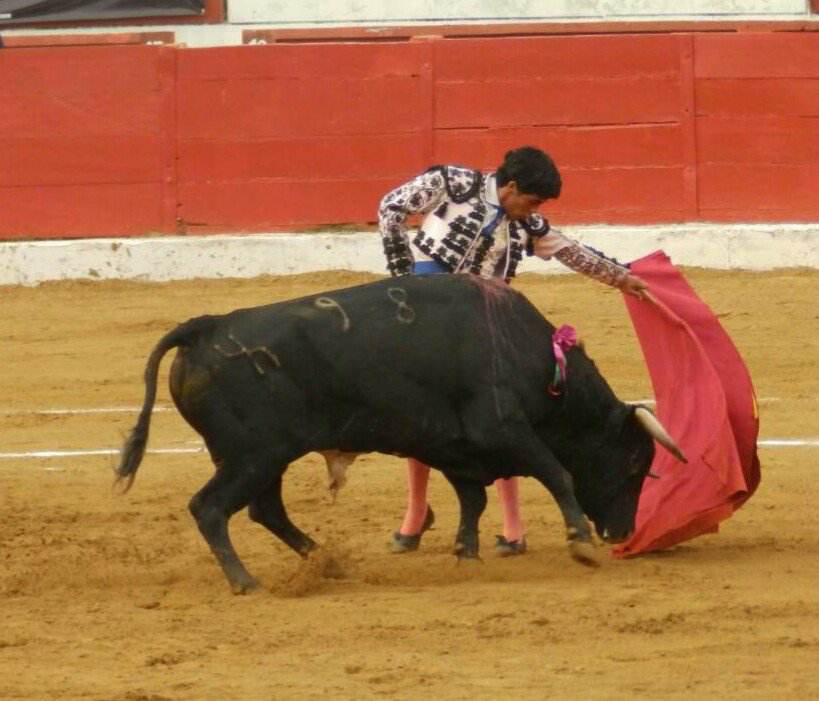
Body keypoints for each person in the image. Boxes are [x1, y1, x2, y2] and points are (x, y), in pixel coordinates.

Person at [378, 146, 647, 556]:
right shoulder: (453, 184)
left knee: (504, 417)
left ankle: (513, 526)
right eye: (532, 201)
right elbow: (391, 208)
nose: (532, 210)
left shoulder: (528, 225)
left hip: (485, 332)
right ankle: (416, 512)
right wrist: (403, 280)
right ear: (512, 187)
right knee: (423, 415)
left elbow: (573, 253)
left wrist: (623, 279)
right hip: (430, 321)